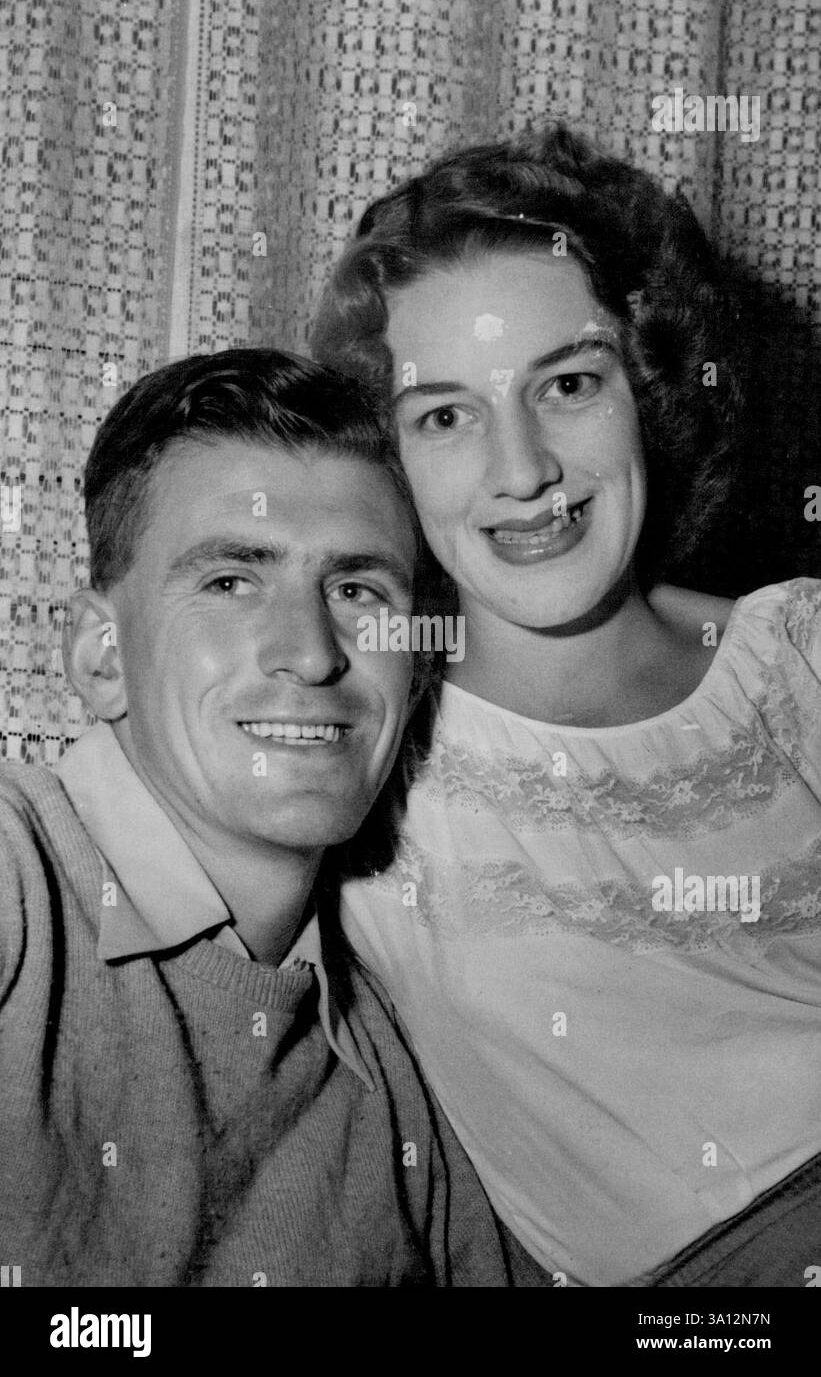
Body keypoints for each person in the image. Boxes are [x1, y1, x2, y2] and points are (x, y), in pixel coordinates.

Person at [312, 122, 821, 1287]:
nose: (522, 466)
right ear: (383, 456)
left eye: (568, 383)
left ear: (645, 386)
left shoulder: (793, 651)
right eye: (444, 413)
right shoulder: (358, 731)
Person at [0, 347, 544, 1288]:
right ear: (100, 656)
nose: (311, 654)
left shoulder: (403, 1064)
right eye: (230, 581)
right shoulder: (16, 884)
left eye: (356, 591)